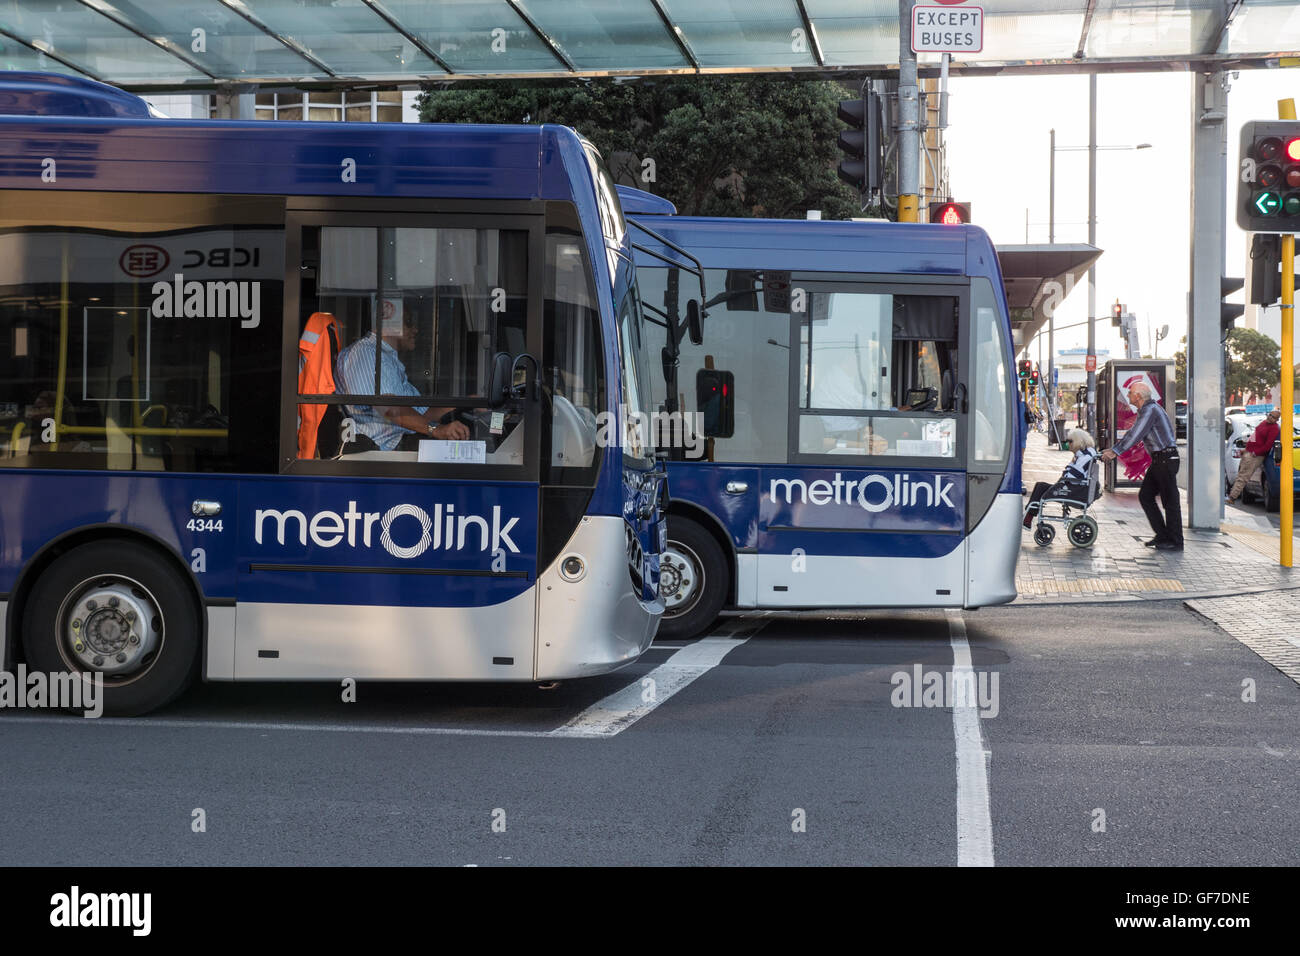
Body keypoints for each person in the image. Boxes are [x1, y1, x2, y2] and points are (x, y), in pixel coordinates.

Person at [335, 316, 470, 451]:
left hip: (402, 443)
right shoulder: (366, 352)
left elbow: (424, 414)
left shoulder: (387, 358)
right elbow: (388, 407)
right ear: (389, 323)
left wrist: (469, 404)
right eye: (409, 322)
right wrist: (437, 430)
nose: (415, 330)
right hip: (382, 450)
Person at [1101, 382, 1182, 550]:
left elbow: (1135, 434)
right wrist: (1114, 449)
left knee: (1170, 501)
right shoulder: (1148, 410)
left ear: (1138, 396)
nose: (1128, 395)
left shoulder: (1150, 410)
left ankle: (1175, 541)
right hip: (1161, 460)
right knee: (1146, 495)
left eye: (1130, 393)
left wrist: (1115, 451)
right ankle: (1162, 535)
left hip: (1166, 459)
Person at [1022, 428, 1097, 528]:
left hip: (1074, 490)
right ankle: (1028, 517)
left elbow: (1071, 476)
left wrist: (1067, 471)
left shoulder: (1085, 456)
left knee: (1040, 487)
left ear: (1079, 441)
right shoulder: (1085, 454)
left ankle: (1028, 518)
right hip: (1076, 488)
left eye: (1070, 441)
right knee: (1040, 486)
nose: (1068, 443)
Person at [1226, 408, 1281, 504]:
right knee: (1241, 475)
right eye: (1270, 415)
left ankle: (1232, 497)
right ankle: (1232, 496)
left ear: (1276, 420)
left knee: (1243, 476)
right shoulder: (1264, 423)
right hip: (1248, 452)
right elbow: (1254, 436)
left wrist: (1256, 452)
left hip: (1255, 455)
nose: (1270, 417)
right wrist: (1246, 449)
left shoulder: (1274, 428)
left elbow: (1268, 446)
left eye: (1273, 417)